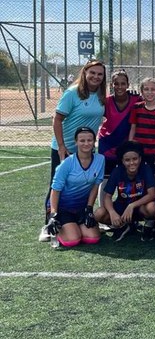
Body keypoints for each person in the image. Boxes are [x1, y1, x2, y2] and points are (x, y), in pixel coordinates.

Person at [41, 59, 106, 242]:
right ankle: (49, 223)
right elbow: (57, 119)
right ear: (85, 73)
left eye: (100, 74)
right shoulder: (72, 93)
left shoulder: (101, 95)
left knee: (85, 183)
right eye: (92, 72)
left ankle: (81, 218)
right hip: (66, 148)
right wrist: (62, 146)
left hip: (86, 147)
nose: (95, 77)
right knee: (58, 185)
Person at [46, 126, 105, 250]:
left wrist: (89, 209)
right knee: (72, 240)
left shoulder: (100, 159)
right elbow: (55, 190)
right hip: (63, 208)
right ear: (76, 142)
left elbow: (96, 186)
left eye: (89, 140)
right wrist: (53, 214)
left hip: (80, 208)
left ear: (94, 141)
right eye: (82, 140)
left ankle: (75, 227)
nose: (86, 143)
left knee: (93, 238)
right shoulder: (67, 163)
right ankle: (56, 230)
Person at [94, 139, 155, 242]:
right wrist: (112, 212)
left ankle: (149, 226)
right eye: (127, 160)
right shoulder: (117, 171)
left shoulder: (145, 169)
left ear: (140, 158)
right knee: (99, 213)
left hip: (140, 208)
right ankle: (123, 226)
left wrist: (132, 205)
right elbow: (107, 197)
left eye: (135, 159)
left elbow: (152, 194)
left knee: (152, 207)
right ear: (122, 161)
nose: (132, 163)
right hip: (122, 209)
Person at [128, 77, 155, 180]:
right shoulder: (136, 108)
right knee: (138, 179)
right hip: (139, 151)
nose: (149, 92)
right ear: (142, 91)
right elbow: (133, 128)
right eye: (146, 89)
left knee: (153, 180)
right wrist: (130, 148)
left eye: (153, 89)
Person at [98, 69, 139, 175]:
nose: (119, 87)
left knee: (125, 180)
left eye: (123, 84)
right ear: (112, 85)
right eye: (116, 84)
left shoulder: (137, 100)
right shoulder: (106, 101)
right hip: (107, 144)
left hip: (125, 145)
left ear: (128, 84)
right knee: (106, 179)